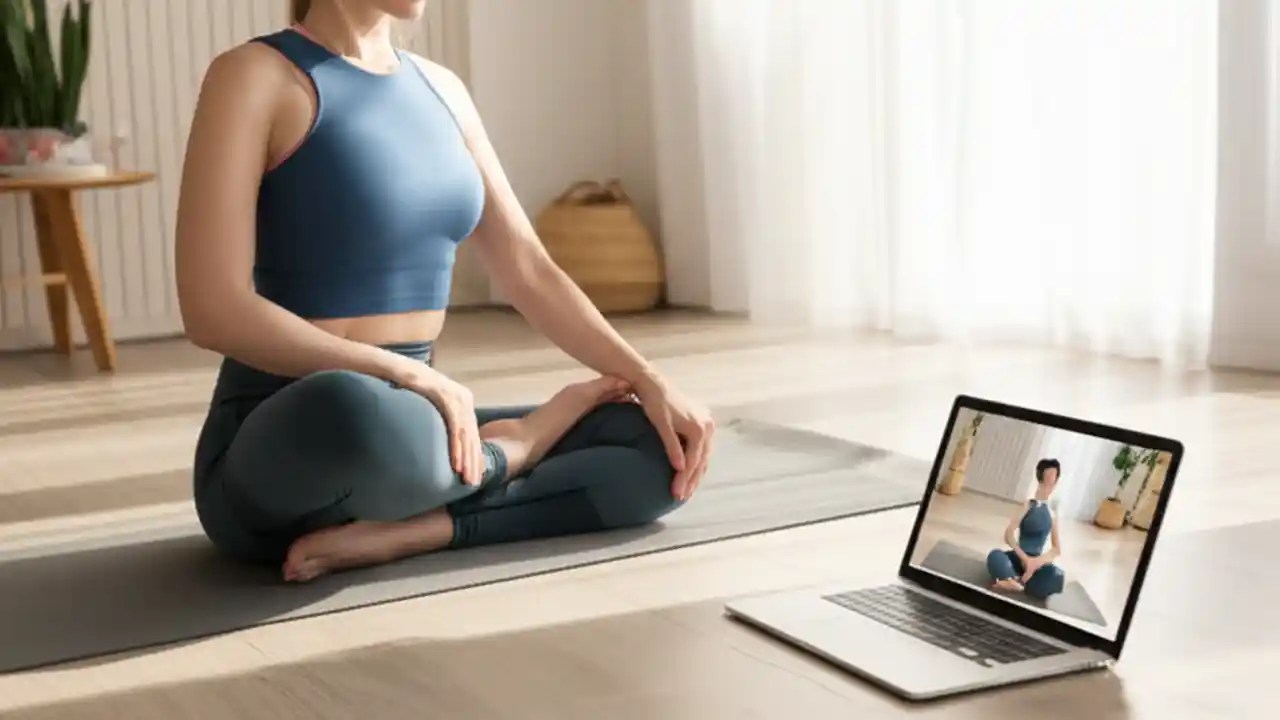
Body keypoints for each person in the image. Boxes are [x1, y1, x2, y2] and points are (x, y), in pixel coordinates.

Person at [174, 0, 715, 583]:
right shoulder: (254, 75)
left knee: (659, 450)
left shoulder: (442, 89)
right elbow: (213, 311)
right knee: (352, 408)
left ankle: (421, 530)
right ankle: (516, 452)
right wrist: (409, 375)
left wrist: (649, 379)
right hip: (298, 432)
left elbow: (528, 270)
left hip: (420, 428)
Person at [985, 459, 1066, 600]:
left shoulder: (1052, 512)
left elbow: (1056, 549)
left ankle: (1013, 583)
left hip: (1037, 563)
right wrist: (1025, 559)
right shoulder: (1028, 505)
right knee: (995, 555)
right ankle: (1015, 581)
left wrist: (1036, 562)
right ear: (1039, 479)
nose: (1049, 484)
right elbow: (1009, 535)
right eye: (1047, 479)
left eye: (1053, 480)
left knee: (1058, 575)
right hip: (1018, 557)